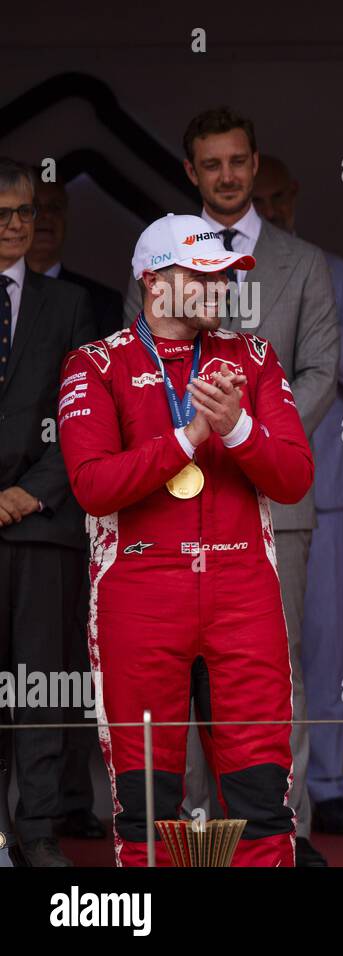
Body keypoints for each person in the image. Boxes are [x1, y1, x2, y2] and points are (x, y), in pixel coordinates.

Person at [60, 213, 313, 867]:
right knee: (147, 809)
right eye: (203, 276)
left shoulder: (253, 359)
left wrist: (235, 430)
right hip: (140, 595)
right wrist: (189, 438)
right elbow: (93, 485)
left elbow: (293, 476)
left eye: (226, 275)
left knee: (263, 804)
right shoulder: (96, 364)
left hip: (244, 594)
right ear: (153, 281)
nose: (222, 288)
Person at [121, 108, 339, 866]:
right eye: (211, 163)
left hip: (271, 494)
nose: (227, 174)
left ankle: (287, 828)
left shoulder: (303, 261)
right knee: (171, 682)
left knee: (277, 671)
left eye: (238, 160)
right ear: (192, 171)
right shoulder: (156, 260)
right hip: (164, 510)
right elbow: (138, 372)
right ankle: (192, 845)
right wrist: (194, 432)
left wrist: (253, 435)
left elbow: (321, 373)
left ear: (255, 163)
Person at [252, 155, 343, 835]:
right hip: (242, 481)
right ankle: (261, 791)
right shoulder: (223, 270)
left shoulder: (335, 272)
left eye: (279, 199)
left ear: (293, 196)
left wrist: (315, 321)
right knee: (252, 648)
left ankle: (327, 785)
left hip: (324, 481)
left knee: (322, 645)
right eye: (258, 200)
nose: (270, 211)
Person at [0, 158, 96, 867]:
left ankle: (36, 830)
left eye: (25, 213)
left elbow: (84, 419)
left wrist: (32, 490)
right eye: (2, 215)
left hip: (43, 524)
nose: (16, 226)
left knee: (40, 687)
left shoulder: (70, 308)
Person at [25, 170, 120, 841]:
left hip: (61, 513)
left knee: (64, 669)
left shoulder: (97, 301)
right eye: (31, 209)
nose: (41, 220)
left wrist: (34, 489)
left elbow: (102, 413)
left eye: (53, 209)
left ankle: (60, 806)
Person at [28, 175, 125, 340]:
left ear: (65, 220)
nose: (46, 215)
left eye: (55, 207)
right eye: (34, 207)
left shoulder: (101, 302)